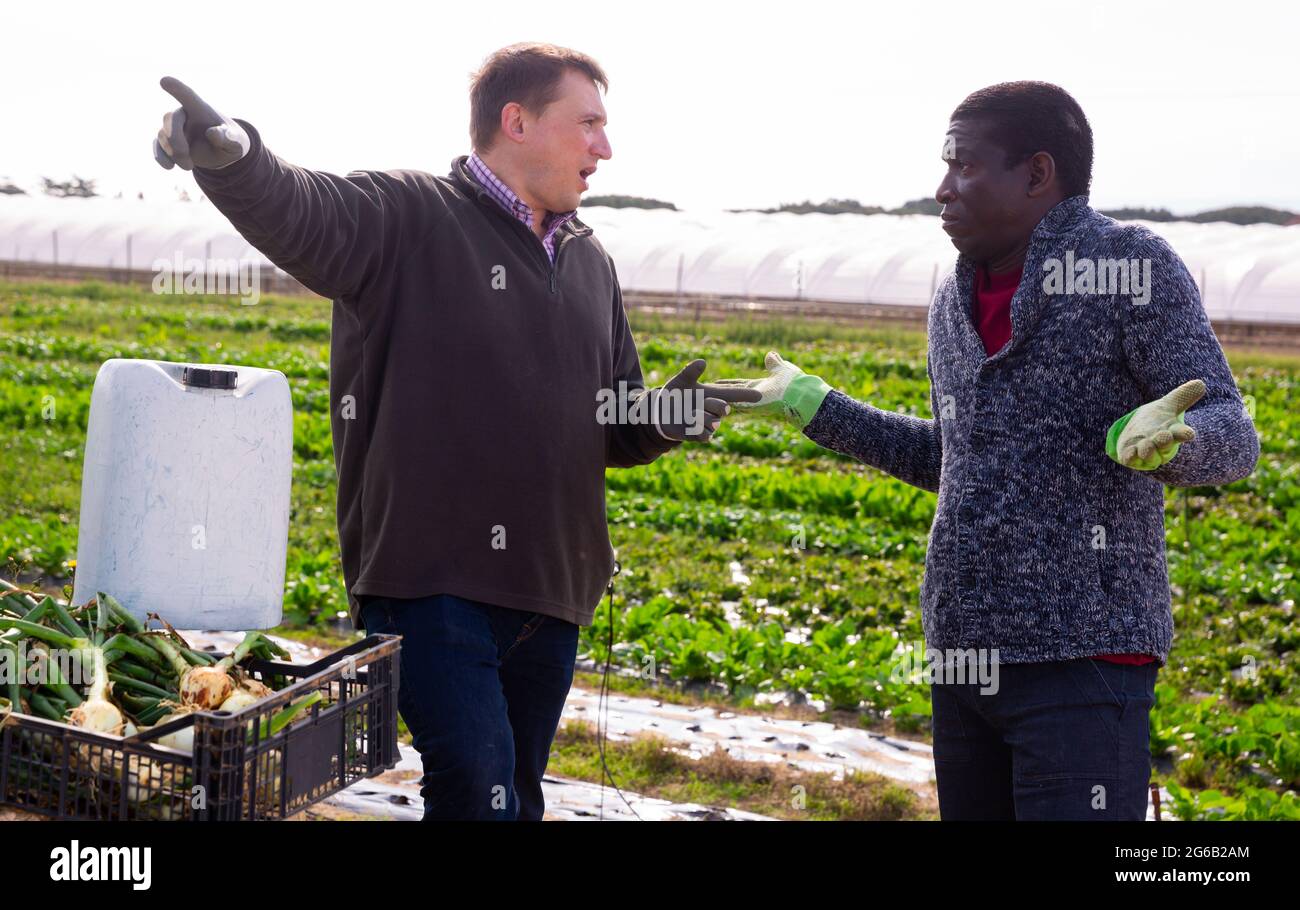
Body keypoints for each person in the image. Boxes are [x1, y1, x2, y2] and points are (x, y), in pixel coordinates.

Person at [151, 42, 758, 821]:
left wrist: (664, 418)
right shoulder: (407, 214)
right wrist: (233, 157)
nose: (604, 147)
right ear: (518, 121)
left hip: (551, 588)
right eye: (589, 124)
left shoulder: (588, 260)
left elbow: (610, 420)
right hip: (428, 581)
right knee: (478, 787)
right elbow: (299, 208)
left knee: (515, 794)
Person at [717, 82, 1259, 820]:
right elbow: (960, 463)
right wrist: (822, 410)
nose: (942, 189)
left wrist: (1178, 443)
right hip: (965, 655)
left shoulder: (1130, 266)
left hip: (1082, 663)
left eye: (963, 166)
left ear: (1038, 173)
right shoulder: (952, 299)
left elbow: (1234, 430)